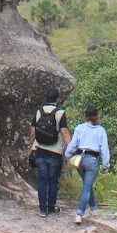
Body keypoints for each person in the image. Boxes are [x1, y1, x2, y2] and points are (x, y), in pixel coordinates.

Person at [29, 88, 72, 217]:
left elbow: (32, 132)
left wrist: (31, 147)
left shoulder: (38, 111)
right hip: (55, 152)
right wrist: (71, 148)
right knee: (53, 180)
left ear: (46, 97)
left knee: (42, 180)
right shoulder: (60, 113)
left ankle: (42, 209)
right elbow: (64, 133)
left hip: (40, 150)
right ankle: (51, 208)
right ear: (57, 99)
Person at [65, 104, 110, 225]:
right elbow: (104, 149)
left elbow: (73, 144)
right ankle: (79, 213)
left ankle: (94, 208)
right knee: (87, 187)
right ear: (96, 116)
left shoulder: (80, 128)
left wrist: (67, 154)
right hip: (92, 160)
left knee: (87, 184)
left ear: (86, 116)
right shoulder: (100, 130)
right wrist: (106, 165)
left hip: (80, 159)